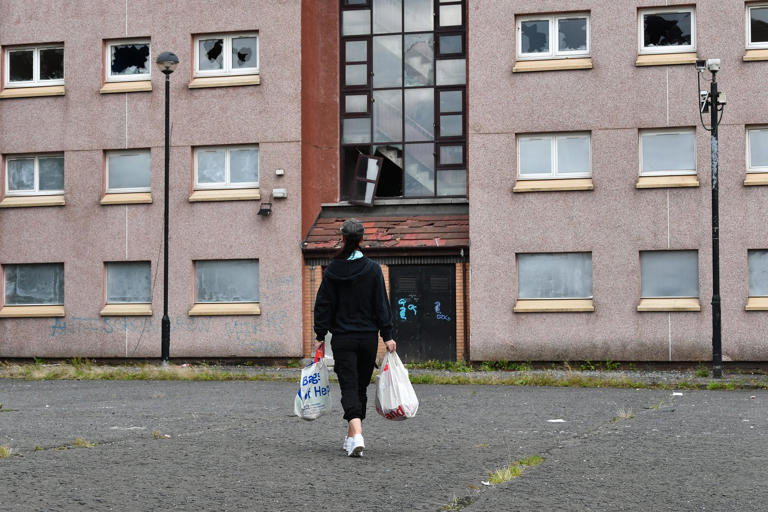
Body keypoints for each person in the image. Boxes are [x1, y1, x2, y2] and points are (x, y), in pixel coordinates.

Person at [313, 218, 396, 457]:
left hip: (343, 339)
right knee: (360, 387)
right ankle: (353, 438)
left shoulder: (332, 270)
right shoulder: (372, 269)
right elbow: (382, 305)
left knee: (349, 385)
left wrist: (320, 333)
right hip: (368, 339)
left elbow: (323, 305)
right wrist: (387, 335)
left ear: (342, 239)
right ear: (362, 239)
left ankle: (355, 436)